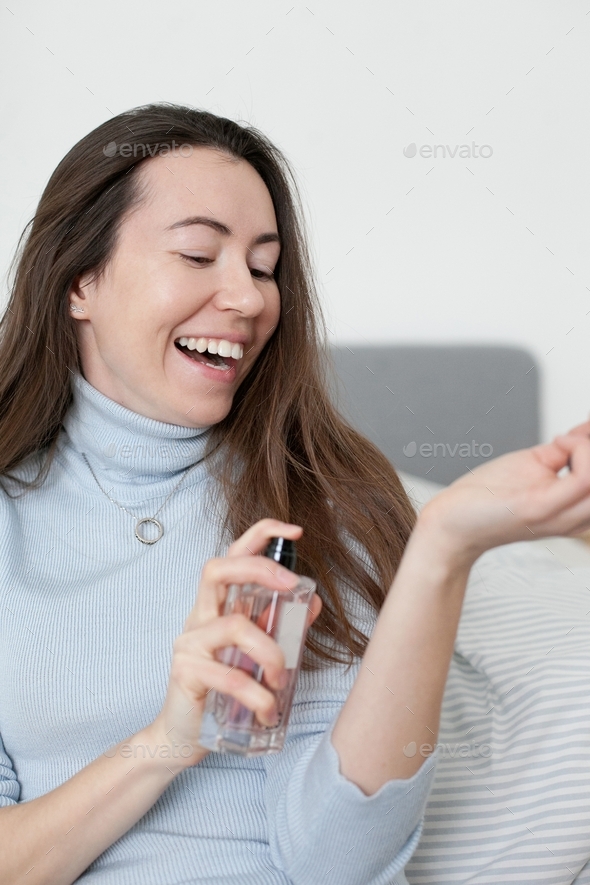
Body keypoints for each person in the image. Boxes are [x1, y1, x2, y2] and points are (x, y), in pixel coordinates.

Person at [1, 102, 590, 885]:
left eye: (263, 265)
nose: (247, 299)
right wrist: (171, 737)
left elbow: (338, 863)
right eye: (200, 253)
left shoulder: (312, 498)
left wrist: (442, 547)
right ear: (80, 279)